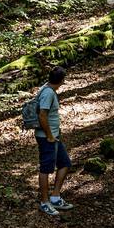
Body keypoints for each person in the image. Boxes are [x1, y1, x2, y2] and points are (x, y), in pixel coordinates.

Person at [35, 68, 73, 216]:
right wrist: (49, 135)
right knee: (46, 168)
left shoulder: (47, 88)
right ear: (62, 80)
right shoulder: (48, 93)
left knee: (64, 164)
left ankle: (55, 197)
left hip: (54, 136)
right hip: (47, 138)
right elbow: (42, 115)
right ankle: (45, 202)